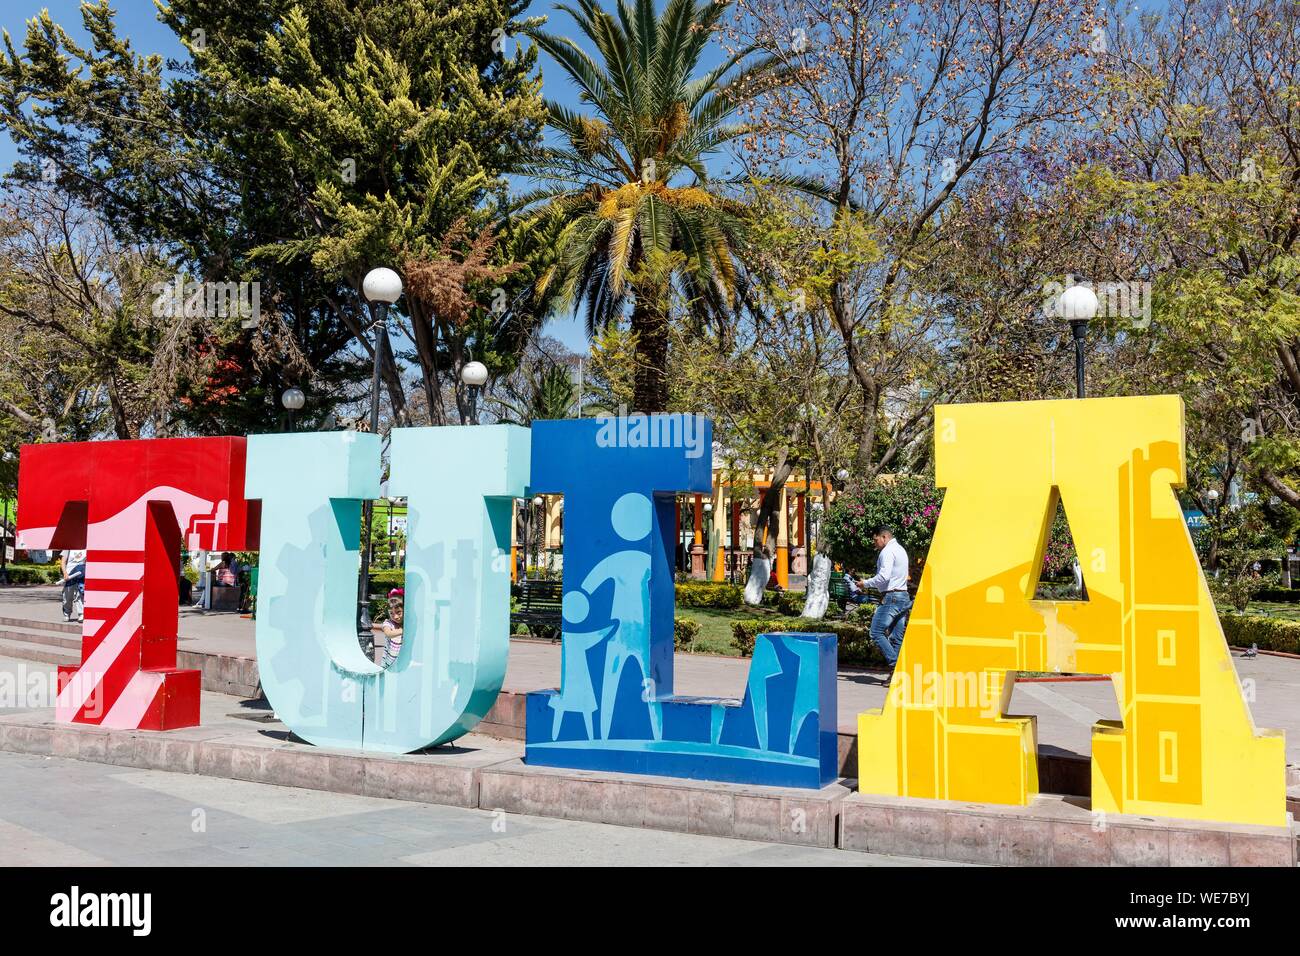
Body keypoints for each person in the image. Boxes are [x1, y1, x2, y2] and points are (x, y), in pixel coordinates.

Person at [863, 525, 911, 669]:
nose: (874, 543)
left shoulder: (887, 551)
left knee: (876, 632)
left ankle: (896, 666)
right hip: (903, 596)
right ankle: (894, 676)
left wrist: (865, 583)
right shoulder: (901, 550)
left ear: (884, 537)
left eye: (875, 539)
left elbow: (884, 576)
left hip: (892, 597)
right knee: (896, 638)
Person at [371, 589, 405, 668]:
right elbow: (388, 633)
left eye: (398, 612)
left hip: (401, 663)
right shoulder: (388, 623)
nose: (395, 616)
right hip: (387, 664)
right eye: (391, 613)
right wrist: (402, 631)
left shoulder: (407, 624)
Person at [59, 547, 87, 623]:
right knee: (67, 595)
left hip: (81, 574)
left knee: (80, 594)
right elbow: (63, 561)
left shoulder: (87, 547)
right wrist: (65, 573)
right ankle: (67, 613)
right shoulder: (68, 547)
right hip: (69, 575)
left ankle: (81, 614)